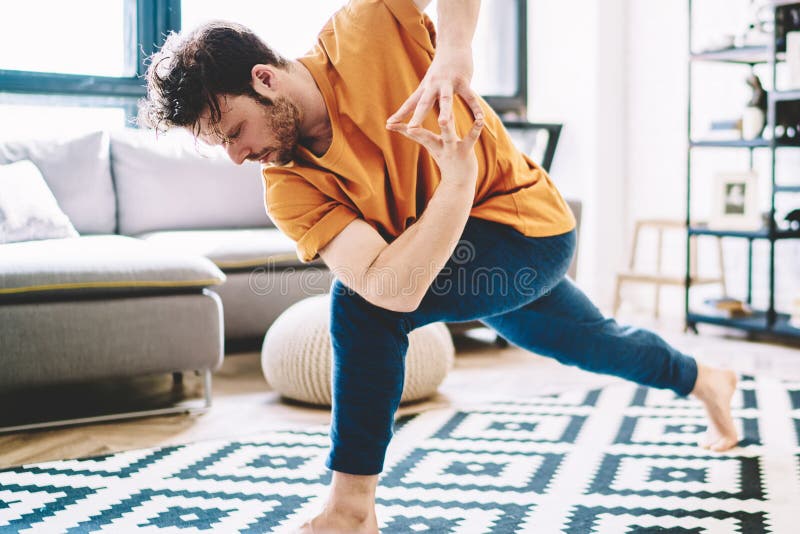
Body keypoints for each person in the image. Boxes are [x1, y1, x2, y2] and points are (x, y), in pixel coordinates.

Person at [140, 1, 740, 532]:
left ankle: (350, 511)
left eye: (235, 132)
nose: (237, 157)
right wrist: (455, 184)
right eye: (222, 146)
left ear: (265, 79)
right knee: (594, 342)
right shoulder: (286, 187)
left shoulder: (366, 28)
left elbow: (382, 296)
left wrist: (455, 53)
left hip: (524, 229)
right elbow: (388, 284)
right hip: (449, 248)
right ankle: (706, 380)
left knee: (361, 310)